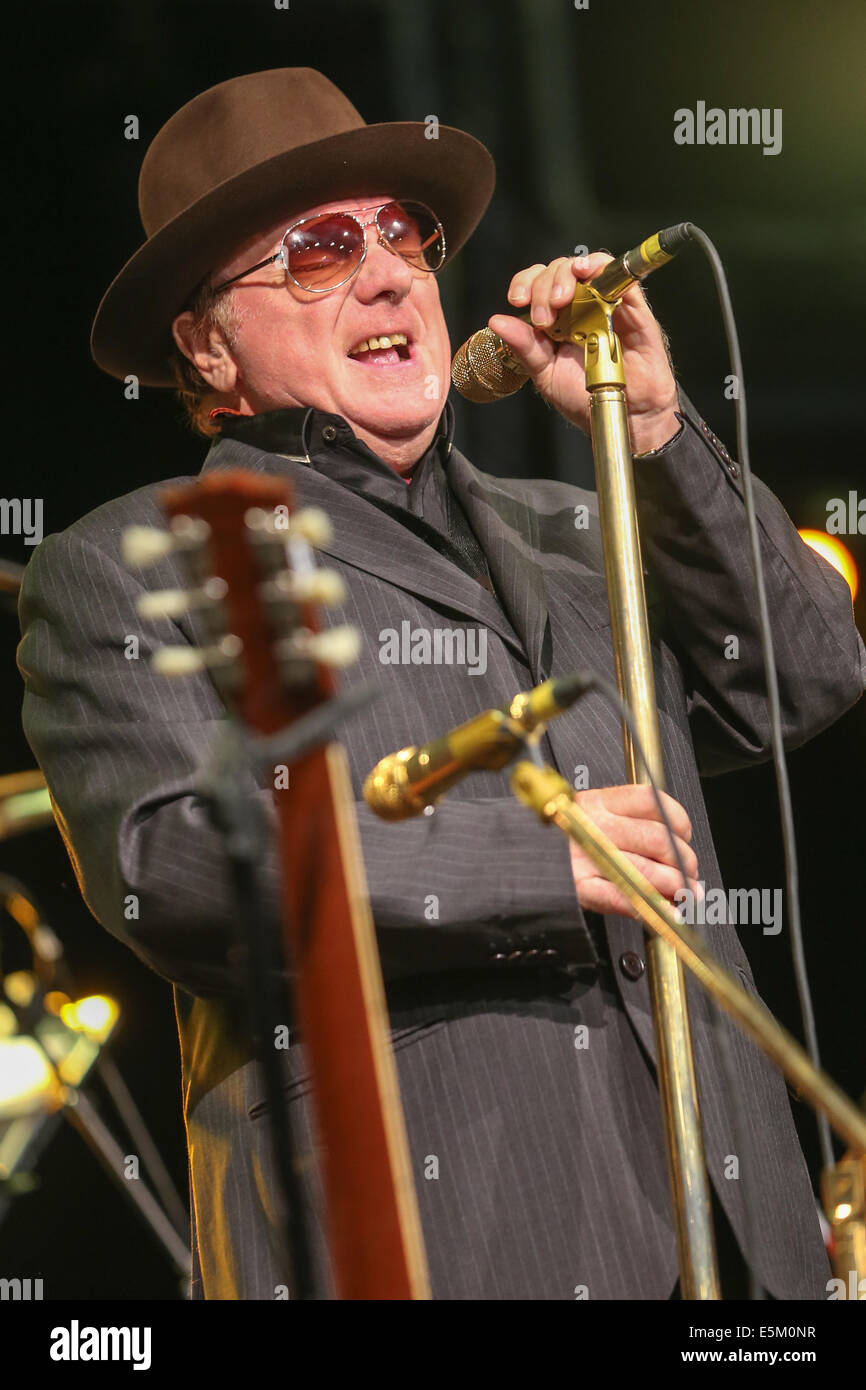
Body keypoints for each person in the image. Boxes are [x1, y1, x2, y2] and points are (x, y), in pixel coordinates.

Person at [17, 67, 864, 1300]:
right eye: (317, 250)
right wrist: (532, 859)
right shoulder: (133, 560)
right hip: (442, 1245)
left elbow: (805, 677)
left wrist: (653, 434)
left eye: (399, 233)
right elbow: (172, 863)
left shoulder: (577, 522)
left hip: (736, 1257)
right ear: (206, 343)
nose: (385, 274)